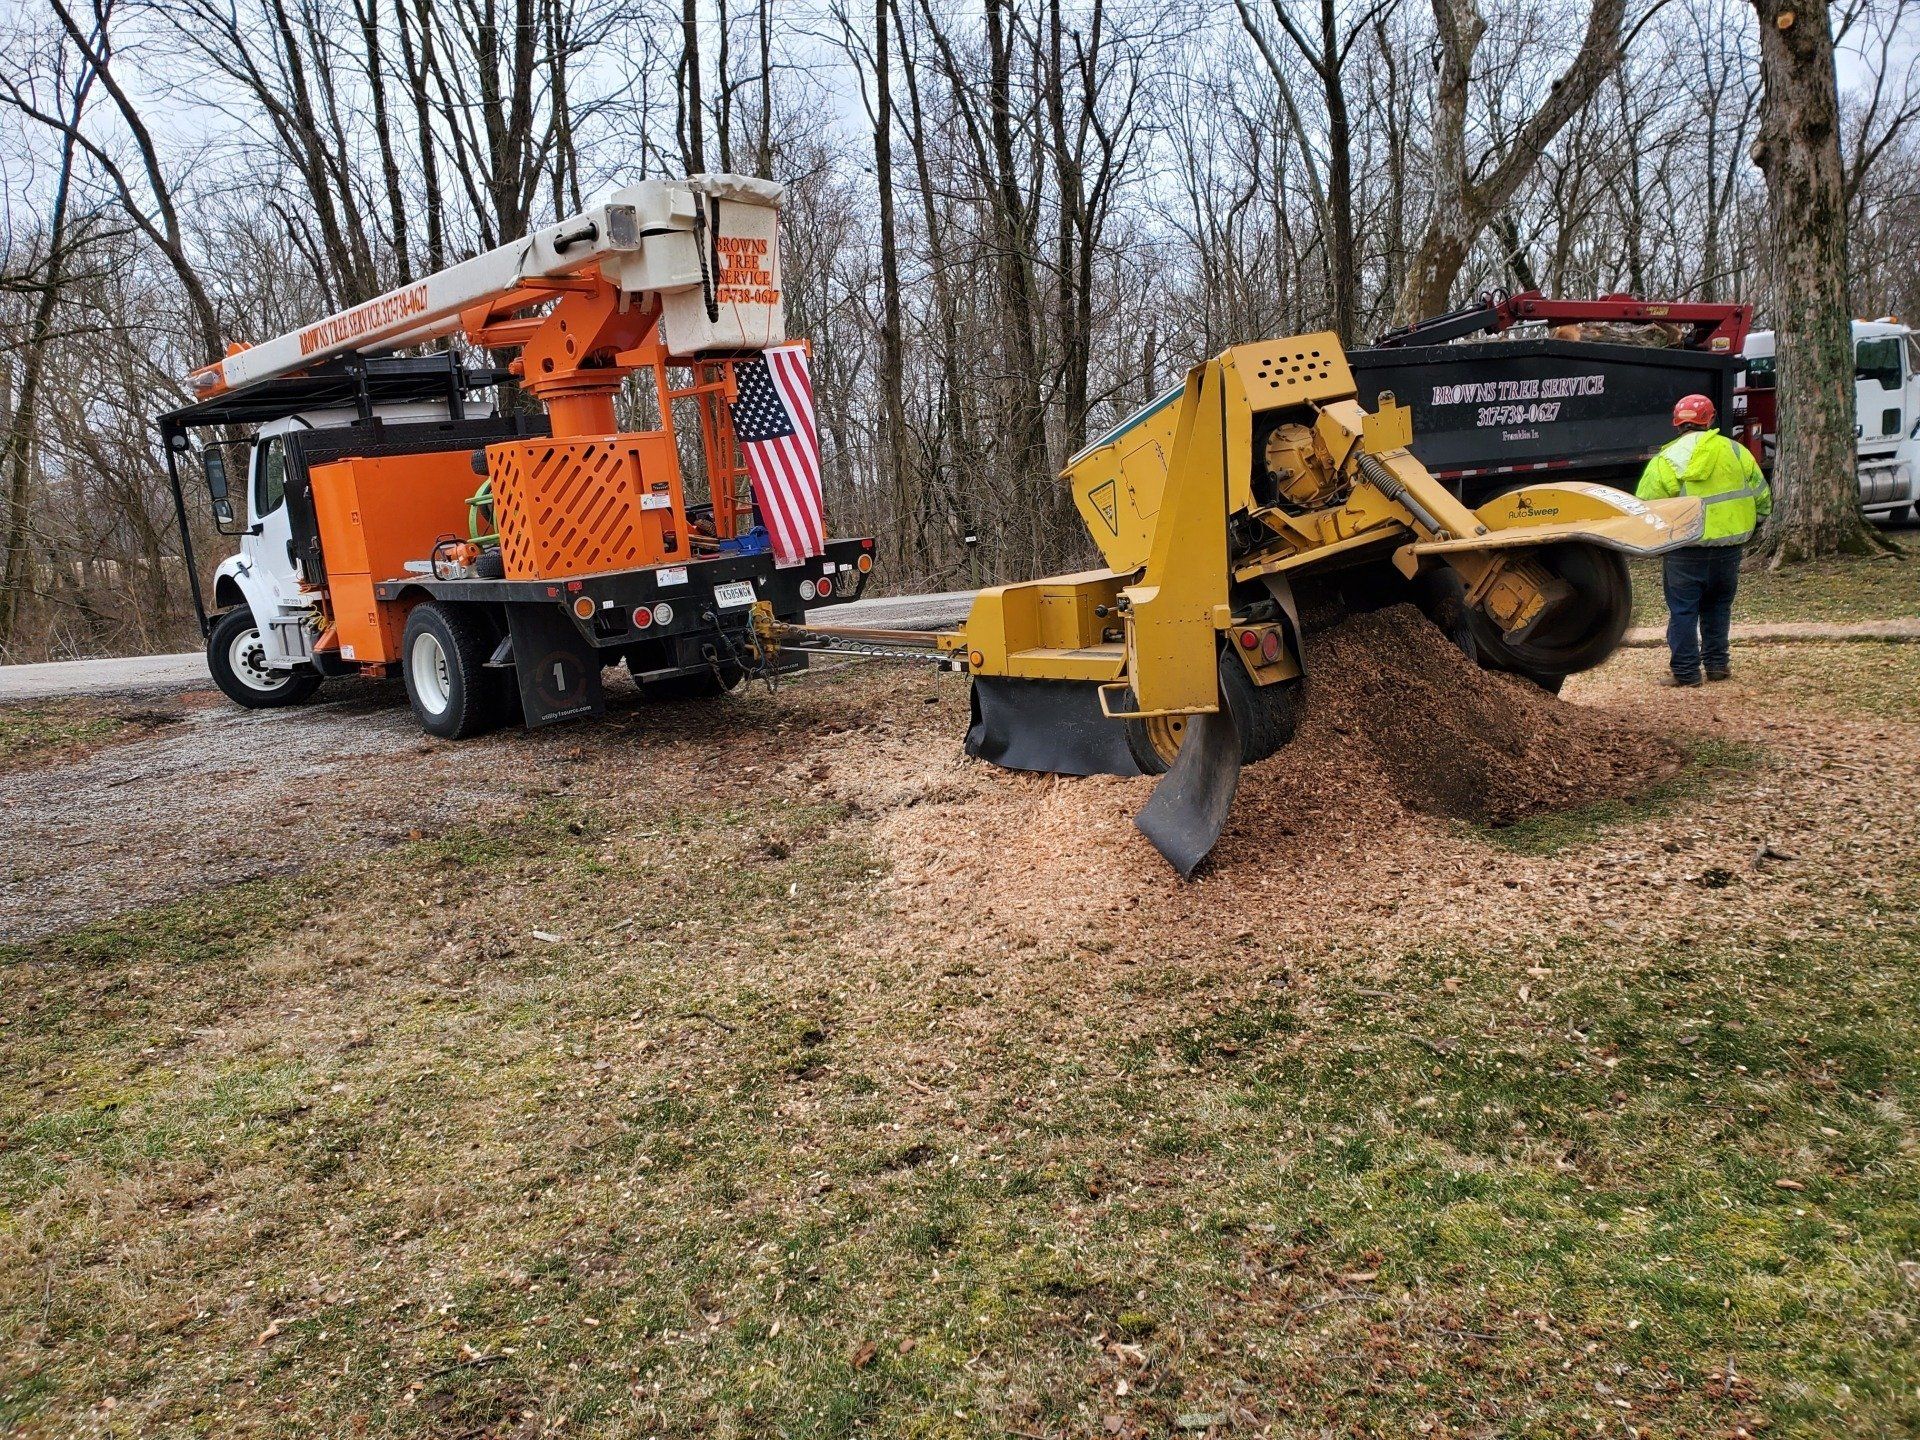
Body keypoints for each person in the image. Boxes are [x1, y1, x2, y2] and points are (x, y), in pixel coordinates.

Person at [1635, 394, 1771, 686]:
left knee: (1684, 611)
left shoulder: (1666, 460)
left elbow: (1645, 506)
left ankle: (1686, 673)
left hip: (1686, 550)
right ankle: (1718, 666)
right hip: (1729, 549)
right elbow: (1761, 494)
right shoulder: (1736, 452)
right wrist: (1754, 519)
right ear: (1710, 420)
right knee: (1718, 607)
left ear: (1677, 424)